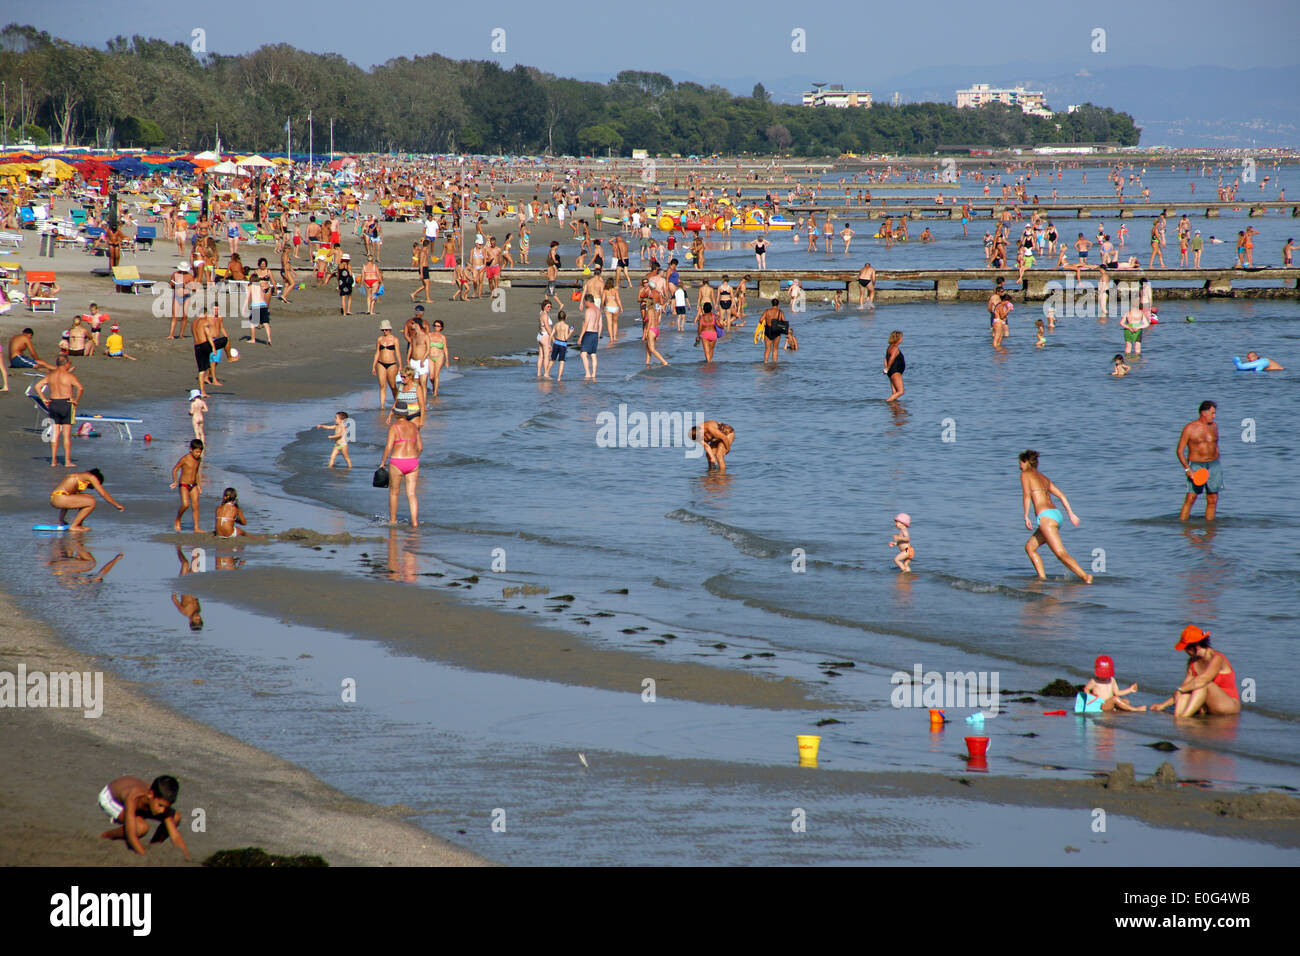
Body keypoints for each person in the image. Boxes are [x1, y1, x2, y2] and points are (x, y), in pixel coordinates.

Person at [1018, 449, 1092, 583]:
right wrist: (1071, 514)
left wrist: (1026, 516)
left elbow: (1026, 495)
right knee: (1030, 548)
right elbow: (1062, 495)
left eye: (1020, 463)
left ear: (1025, 462)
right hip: (1056, 515)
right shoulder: (1043, 478)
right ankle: (1041, 579)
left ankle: (1085, 576)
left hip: (1046, 518)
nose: (1019, 466)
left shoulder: (1025, 474)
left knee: (1060, 554)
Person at [1150, 625, 1241, 717]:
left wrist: (1181, 690)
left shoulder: (1217, 658)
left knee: (1203, 684)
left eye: (1186, 648)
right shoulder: (1192, 662)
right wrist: (1163, 705)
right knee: (1188, 687)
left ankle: (1184, 718)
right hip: (1207, 704)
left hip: (1228, 705)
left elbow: (1203, 680)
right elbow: (1184, 688)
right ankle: (1178, 718)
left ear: (1196, 646)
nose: (1185, 651)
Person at [97, 775, 191, 860]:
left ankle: (154, 846)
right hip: (111, 798)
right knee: (140, 828)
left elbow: (175, 836)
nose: (162, 810)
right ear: (150, 795)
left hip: (140, 802)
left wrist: (186, 858)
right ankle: (105, 836)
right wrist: (146, 858)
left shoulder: (156, 800)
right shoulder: (133, 798)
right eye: (160, 805)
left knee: (175, 817)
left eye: (166, 807)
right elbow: (131, 836)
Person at [35, 356, 84, 468]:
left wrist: (44, 399)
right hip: (67, 403)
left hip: (54, 404)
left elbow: (38, 386)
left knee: (55, 433)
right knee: (66, 435)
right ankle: (67, 461)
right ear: (66, 364)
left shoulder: (51, 376)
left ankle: (53, 461)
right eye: (69, 363)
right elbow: (80, 388)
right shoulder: (69, 376)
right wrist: (76, 400)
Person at [1176, 400, 1221, 521]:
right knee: (1191, 497)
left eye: (1214, 413)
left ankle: (1210, 528)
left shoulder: (1214, 426)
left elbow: (1215, 445)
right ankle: (1183, 526)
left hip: (1214, 465)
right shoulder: (1190, 428)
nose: (1214, 416)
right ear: (1203, 413)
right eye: (1212, 413)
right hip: (1196, 465)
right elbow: (1179, 451)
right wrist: (1187, 469)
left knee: (1213, 498)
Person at [49, 468, 124, 531]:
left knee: (88, 497)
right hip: (60, 498)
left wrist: (61, 520)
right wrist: (116, 505)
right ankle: (74, 526)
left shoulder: (79, 476)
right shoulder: (91, 477)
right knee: (91, 501)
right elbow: (103, 493)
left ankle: (77, 523)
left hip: (56, 498)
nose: (93, 488)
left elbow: (67, 501)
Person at [381, 415, 423, 527]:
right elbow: (420, 447)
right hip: (413, 462)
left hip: (397, 461)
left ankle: (393, 520)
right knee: (411, 494)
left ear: (396, 414)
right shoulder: (414, 426)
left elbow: (389, 446)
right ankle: (414, 522)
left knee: (394, 493)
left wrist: (383, 461)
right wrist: (415, 458)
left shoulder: (394, 427)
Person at [1081, 655, 1146, 712]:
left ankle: (1116, 709)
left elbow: (1117, 692)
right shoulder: (1094, 681)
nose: (1104, 677)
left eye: (1106, 675)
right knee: (1115, 699)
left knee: (1126, 701)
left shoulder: (1112, 680)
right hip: (1101, 705)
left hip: (1110, 703)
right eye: (1102, 675)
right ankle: (1134, 709)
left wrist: (1130, 690)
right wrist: (1092, 698)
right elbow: (1086, 689)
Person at [170, 439, 204, 533]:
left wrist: (199, 485)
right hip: (184, 484)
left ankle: (196, 527)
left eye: (200, 452)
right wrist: (175, 481)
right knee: (185, 505)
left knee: (196, 506)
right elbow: (175, 469)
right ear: (191, 449)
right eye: (196, 451)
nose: (198, 454)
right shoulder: (185, 458)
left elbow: (196, 473)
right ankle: (178, 520)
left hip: (194, 485)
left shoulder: (199, 460)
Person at [372, 319, 402, 409]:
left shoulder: (395, 339)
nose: (384, 331)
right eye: (383, 330)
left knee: (393, 386)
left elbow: (398, 353)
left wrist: (400, 365)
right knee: (382, 385)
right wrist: (373, 366)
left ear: (390, 329)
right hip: (381, 363)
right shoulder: (380, 339)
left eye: (386, 329)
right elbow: (377, 352)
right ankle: (382, 406)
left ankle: (397, 404)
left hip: (392, 364)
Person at [579, 294, 602, 379]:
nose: (585, 304)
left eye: (585, 302)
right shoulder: (598, 310)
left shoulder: (589, 310)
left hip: (588, 332)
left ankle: (588, 373)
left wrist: (581, 336)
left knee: (583, 354)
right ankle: (594, 374)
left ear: (587, 301)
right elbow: (600, 324)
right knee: (593, 354)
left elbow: (586, 324)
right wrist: (599, 335)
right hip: (595, 333)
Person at [642, 301, 668, 367]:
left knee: (652, 349)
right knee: (647, 347)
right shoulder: (655, 311)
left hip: (651, 330)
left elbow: (650, 321)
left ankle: (664, 362)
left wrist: (647, 332)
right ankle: (647, 363)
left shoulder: (649, 311)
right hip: (656, 330)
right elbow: (658, 321)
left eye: (645, 303)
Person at [549, 309, 571, 382]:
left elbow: (551, 335)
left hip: (556, 343)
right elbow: (566, 338)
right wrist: (571, 332)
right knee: (561, 361)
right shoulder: (566, 326)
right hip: (562, 344)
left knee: (552, 359)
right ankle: (559, 378)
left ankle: (546, 373)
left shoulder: (556, 324)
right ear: (565, 317)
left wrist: (549, 344)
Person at [883, 330, 905, 401]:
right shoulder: (895, 348)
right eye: (901, 337)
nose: (902, 339)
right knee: (901, 391)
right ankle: (887, 402)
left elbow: (885, 359)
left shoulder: (889, 347)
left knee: (894, 392)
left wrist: (886, 369)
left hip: (891, 372)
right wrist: (887, 368)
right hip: (895, 372)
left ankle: (894, 408)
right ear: (897, 338)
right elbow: (891, 358)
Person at [537, 300, 554, 379]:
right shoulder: (545, 315)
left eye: (550, 306)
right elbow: (547, 327)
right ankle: (546, 374)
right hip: (545, 336)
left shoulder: (541, 313)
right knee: (546, 356)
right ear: (544, 306)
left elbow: (540, 325)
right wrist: (552, 338)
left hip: (540, 335)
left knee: (541, 356)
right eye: (548, 306)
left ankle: (539, 373)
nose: (549, 308)